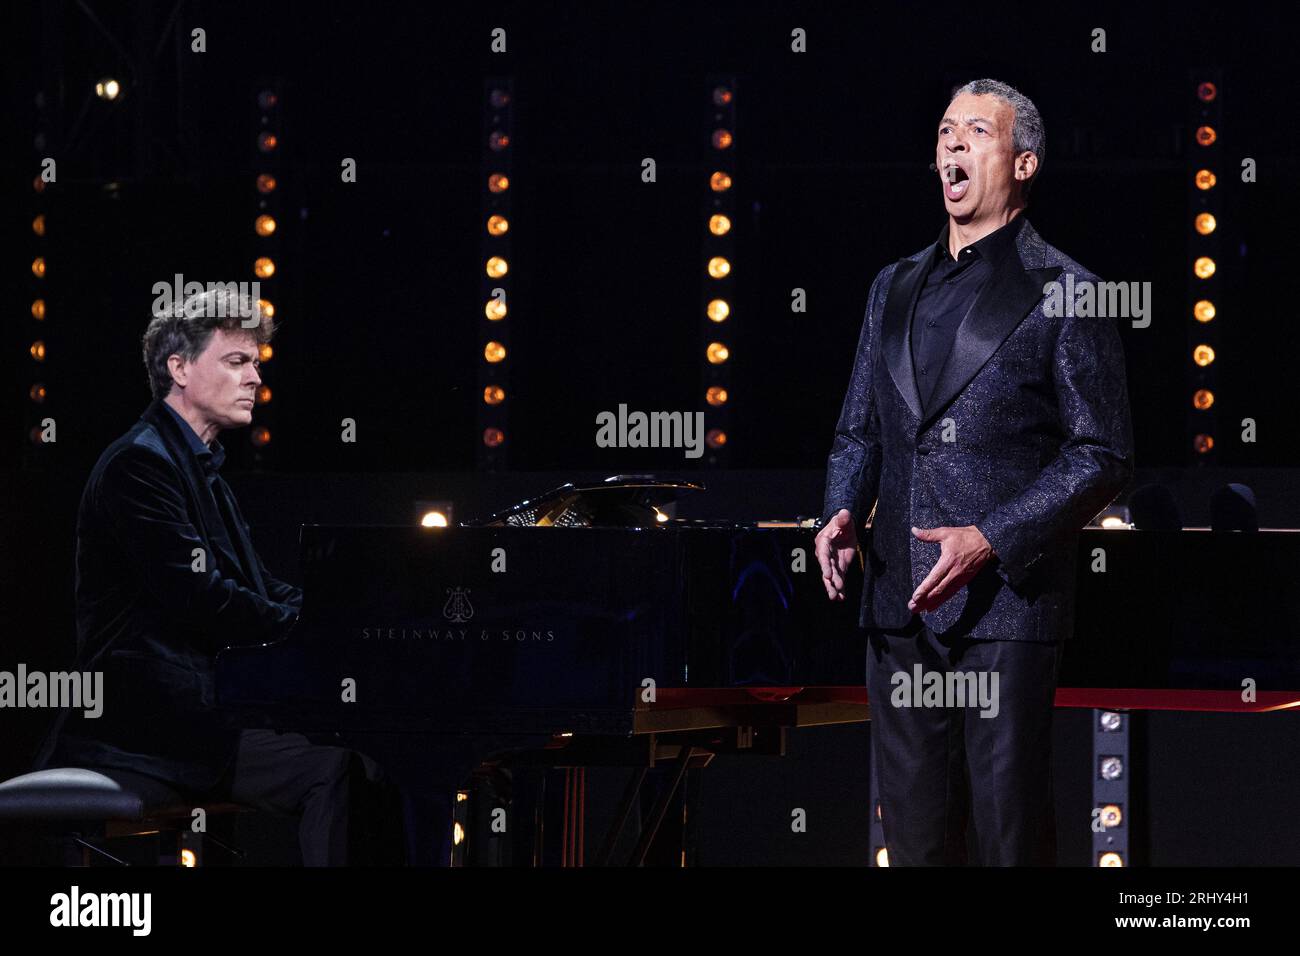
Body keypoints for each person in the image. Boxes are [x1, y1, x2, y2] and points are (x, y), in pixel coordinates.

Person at [815, 79, 1135, 865]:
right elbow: (860, 428)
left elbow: (1104, 454)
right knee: (915, 843)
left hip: (1007, 608)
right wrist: (841, 509)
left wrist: (990, 538)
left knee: (1008, 839)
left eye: (976, 133)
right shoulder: (890, 286)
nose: (952, 144)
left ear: (1023, 162)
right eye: (945, 131)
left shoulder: (1070, 292)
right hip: (899, 605)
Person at [34, 288, 375, 865]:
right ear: (180, 368)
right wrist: (315, 628)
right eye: (237, 361)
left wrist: (349, 618)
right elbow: (203, 599)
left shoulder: (201, 468)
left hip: (201, 710)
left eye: (257, 364)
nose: (255, 379)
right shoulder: (139, 464)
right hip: (146, 723)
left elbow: (261, 588)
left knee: (365, 752)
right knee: (336, 764)